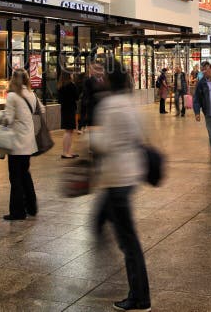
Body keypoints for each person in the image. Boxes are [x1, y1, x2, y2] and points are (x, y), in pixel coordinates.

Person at [91, 59, 151, 312]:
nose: (100, 78)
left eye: (103, 75)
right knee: (127, 237)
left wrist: (91, 138)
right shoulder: (131, 103)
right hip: (130, 175)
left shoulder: (110, 105)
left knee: (128, 242)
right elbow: (139, 136)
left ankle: (139, 298)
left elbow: (105, 144)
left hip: (116, 177)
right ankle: (139, 296)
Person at [0, 69, 43, 220]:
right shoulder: (31, 94)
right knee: (25, 174)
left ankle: (18, 211)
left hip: (17, 143)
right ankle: (31, 207)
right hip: (29, 142)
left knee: (15, 177)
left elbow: (8, 120)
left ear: (13, 79)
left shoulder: (12, 96)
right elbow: (41, 109)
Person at [57, 71, 80, 159]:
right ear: (68, 76)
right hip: (70, 109)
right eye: (71, 74)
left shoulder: (61, 86)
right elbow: (76, 96)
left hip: (65, 109)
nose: (72, 75)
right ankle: (65, 152)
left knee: (69, 131)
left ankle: (67, 151)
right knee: (68, 131)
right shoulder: (70, 85)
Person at [80, 60, 105, 128]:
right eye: (95, 69)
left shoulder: (106, 80)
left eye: (100, 68)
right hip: (93, 114)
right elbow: (86, 98)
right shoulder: (88, 81)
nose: (98, 71)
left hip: (104, 114)